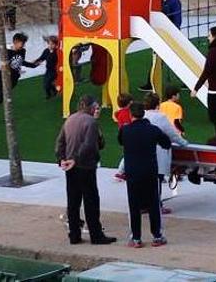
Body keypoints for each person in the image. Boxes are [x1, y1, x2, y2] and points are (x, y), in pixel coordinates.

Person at [57, 96, 115, 245]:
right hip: (85, 166)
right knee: (91, 200)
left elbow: (60, 142)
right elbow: (90, 145)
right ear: (90, 107)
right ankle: (96, 235)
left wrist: (62, 159)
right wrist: (75, 159)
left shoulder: (70, 119)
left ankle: (74, 235)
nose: (97, 110)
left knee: (73, 201)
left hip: (70, 167)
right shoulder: (91, 122)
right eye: (96, 107)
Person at [119, 101, 173, 248]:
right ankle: (157, 235)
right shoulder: (153, 130)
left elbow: (121, 141)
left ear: (131, 115)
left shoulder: (125, 130)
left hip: (132, 172)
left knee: (134, 205)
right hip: (150, 171)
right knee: (153, 203)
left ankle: (136, 237)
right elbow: (166, 143)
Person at [24, 33, 61, 101]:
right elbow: (41, 58)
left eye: (52, 44)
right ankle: (52, 92)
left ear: (56, 45)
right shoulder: (46, 51)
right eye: (49, 44)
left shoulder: (57, 52)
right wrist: (33, 62)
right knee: (45, 84)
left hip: (55, 70)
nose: (50, 45)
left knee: (48, 83)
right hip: (48, 70)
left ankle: (51, 94)